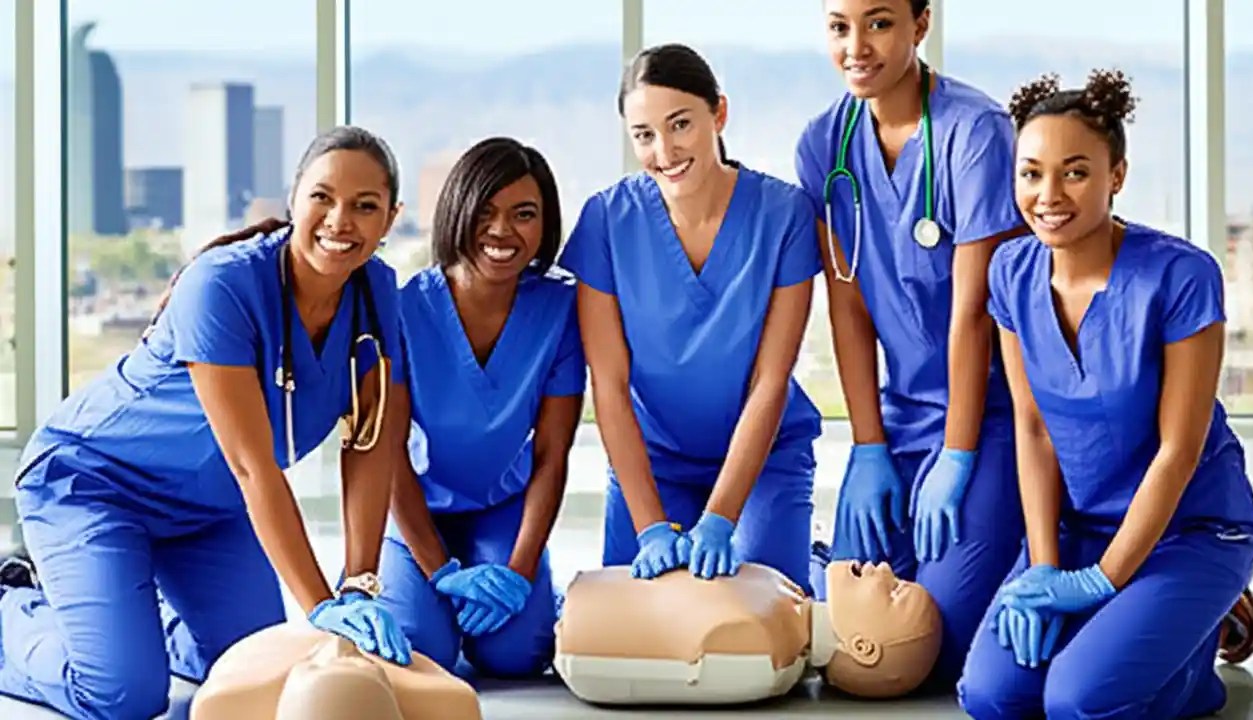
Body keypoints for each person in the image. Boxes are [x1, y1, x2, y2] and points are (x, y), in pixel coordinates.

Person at [0, 126, 412, 720]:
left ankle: (124, 612)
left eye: (364, 205)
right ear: (293, 197)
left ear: (390, 217)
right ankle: (14, 602)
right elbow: (252, 466)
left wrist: (359, 582)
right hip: (92, 485)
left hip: (206, 510)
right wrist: (320, 605)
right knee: (122, 695)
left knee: (247, 669)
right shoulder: (223, 285)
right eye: (322, 197)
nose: (339, 220)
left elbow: (371, 444)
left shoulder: (378, 294)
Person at [957, 69, 1253, 720]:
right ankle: (1156, 622)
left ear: (1116, 176)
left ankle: (1200, 642)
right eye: (1030, 173)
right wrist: (1044, 568)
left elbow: (1179, 452)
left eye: (1075, 172)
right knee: (992, 697)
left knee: (1078, 701)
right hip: (1079, 530)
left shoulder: (1180, 276)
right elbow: (1033, 430)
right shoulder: (1010, 273)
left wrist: (1102, 582)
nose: (1048, 195)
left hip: (1191, 529)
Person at [794, 0, 1029, 686]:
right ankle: (810, 558)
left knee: (936, 646)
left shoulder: (974, 132)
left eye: (879, 23)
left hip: (989, 418)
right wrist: (868, 444)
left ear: (920, 25)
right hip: (899, 419)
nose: (856, 45)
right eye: (839, 26)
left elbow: (972, 315)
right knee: (853, 635)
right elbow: (847, 305)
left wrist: (956, 453)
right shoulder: (824, 144)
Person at [559, 43, 824, 593]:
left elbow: (770, 381)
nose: (664, 150)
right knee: (633, 630)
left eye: (680, 124)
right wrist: (651, 525)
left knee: (760, 618)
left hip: (764, 459)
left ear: (718, 114)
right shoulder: (607, 221)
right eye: (644, 135)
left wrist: (723, 515)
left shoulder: (784, 215)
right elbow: (608, 386)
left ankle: (812, 556)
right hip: (655, 463)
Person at [377, 137, 584, 679]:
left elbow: (551, 454)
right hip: (417, 506)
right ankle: (397, 583)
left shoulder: (559, 309)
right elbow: (389, 455)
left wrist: (517, 571)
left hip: (502, 506)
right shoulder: (404, 308)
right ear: (458, 211)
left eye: (524, 214)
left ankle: (522, 586)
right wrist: (440, 573)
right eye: (486, 211)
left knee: (517, 654)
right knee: (423, 650)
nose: (502, 230)